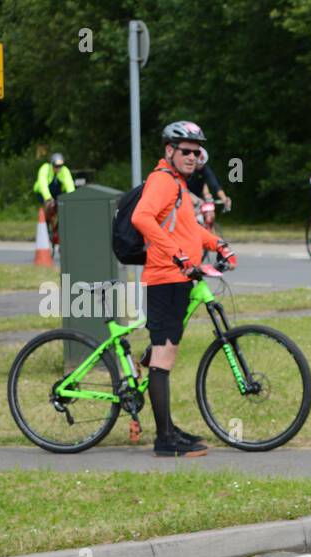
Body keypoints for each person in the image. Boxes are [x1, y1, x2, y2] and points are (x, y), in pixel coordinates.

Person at [131, 120, 238, 458]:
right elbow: (142, 218)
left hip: (181, 279)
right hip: (164, 279)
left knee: (166, 354)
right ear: (170, 151)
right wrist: (175, 254)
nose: (193, 157)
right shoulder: (162, 181)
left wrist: (217, 243)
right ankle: (164, 442)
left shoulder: (178, 184)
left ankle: (169, 428)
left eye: (197, 152)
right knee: (163, 358)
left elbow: (191, 231)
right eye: (186, 151)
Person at [186, 147, 231, 230]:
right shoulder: (185, 170)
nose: (200, 166)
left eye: (202, 164)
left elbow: (215, 185)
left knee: (210, 214)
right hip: (186, 197)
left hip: (199, 198)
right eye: (198, 164)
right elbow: (181, 187)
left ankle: (211, 233)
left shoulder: (204, 170)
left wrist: (224, 198)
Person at [33, 152, 75, 240]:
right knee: (49, 206)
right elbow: (42, 184)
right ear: (51, 164)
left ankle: (58, 229)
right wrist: (48, 198)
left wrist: (71, 199)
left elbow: (69, 184)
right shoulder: (45, 168)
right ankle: (46, 224)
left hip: (57, 192)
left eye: (60, 166)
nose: (58, 168)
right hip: (42, 192)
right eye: (56, 166)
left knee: (64, 208)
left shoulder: (64, 170)